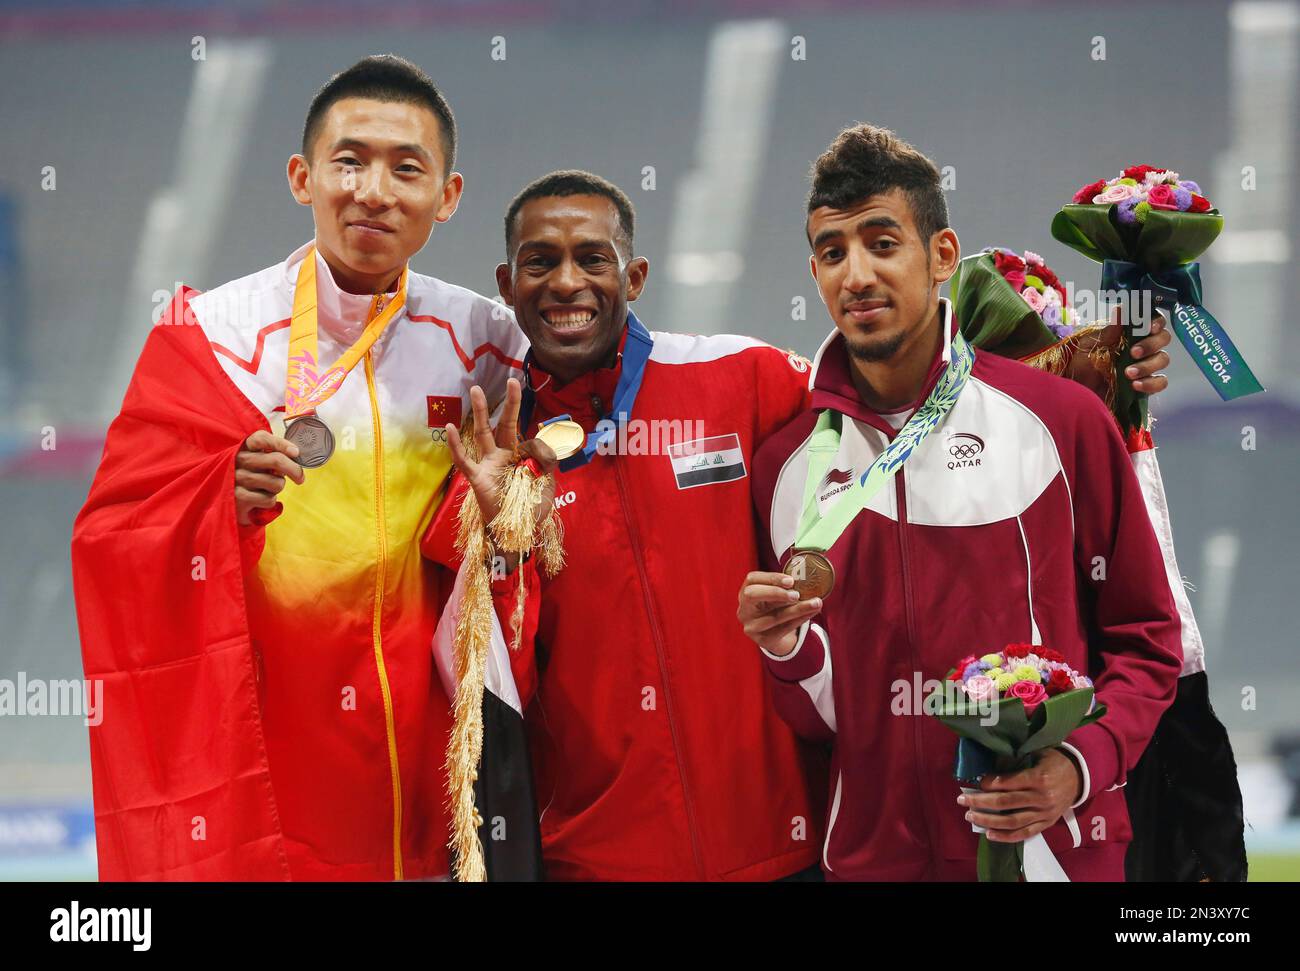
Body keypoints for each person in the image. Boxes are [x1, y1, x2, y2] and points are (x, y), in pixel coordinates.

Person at [426, 169, 1174, 881]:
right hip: (599, 859)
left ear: (634, 276)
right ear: (507, 284)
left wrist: (1089, 370)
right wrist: (500, 540)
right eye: (538, 262)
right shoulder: (493, 452)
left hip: (790, 847)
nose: (566, 282)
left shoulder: (739, 377)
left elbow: (902, 382)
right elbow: (487, 695)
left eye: (592, 257)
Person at [71, 55, 532, 881]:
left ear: (448, 197)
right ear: (302, 176)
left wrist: (513, 510)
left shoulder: (489, 344)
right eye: (348, 161)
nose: (373, 190)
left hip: (437, 774)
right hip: (273, 769)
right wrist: (218, 500)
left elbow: (570, 495)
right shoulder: (210, 338)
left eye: (406, 168)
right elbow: (113, 536)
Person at [737, 125, 1184, 880]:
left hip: (1053, 853)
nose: (857, 274)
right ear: (814, 270)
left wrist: (1080, 764)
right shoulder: (787, 467)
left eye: (883, 242)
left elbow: (1146, 637)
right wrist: (783, 650)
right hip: (874, 862)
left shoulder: (1063, 422)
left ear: (942, 255)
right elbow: (819, 721)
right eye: (834, 251)